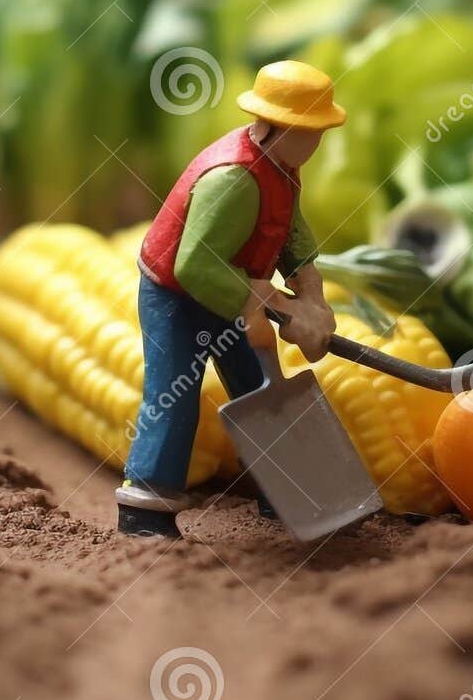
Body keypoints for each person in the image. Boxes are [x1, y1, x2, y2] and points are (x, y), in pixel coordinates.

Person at [117, 60, 345, 539]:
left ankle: (278, 490)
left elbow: (289, 229)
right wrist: (268, 304)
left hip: (237, 291)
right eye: (309, 130)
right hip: (175, 296)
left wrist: (309, 287)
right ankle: (145, 507)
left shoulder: (284, 165)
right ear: (272, 126)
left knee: (261, 384)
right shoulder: (232, 179)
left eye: (320, 130)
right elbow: (194, 265)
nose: (317, 140)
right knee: (176, 393)